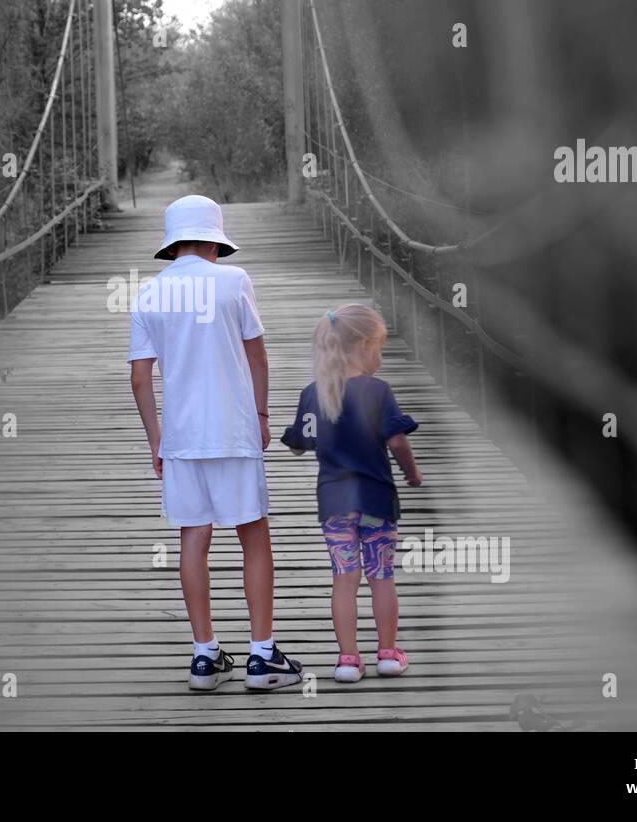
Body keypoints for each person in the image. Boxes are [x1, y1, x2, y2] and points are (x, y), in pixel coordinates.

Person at [128, 194, 303, 691]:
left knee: (193, 538)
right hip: (234, 430)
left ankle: (204, 657)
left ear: (174, 243)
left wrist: (156, 441)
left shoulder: (149, 294)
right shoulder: (234, 281)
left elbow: (140, 379)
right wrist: (264, 413)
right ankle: (261, 657)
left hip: (182, 439)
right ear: (213, 241)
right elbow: (258, 358)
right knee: (253, 537)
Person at [281, 303, 423, 682]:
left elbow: (300, 442)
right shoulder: (378, 391)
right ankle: (388, 654)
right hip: (375, 499)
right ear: (362, 344)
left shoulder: (314, 393)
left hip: (334, 503)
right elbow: (396, 441)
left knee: (344, 578)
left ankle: (347, 659)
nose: (380, 356)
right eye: (379, 348)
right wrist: (413, 475)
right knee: (381, 575)